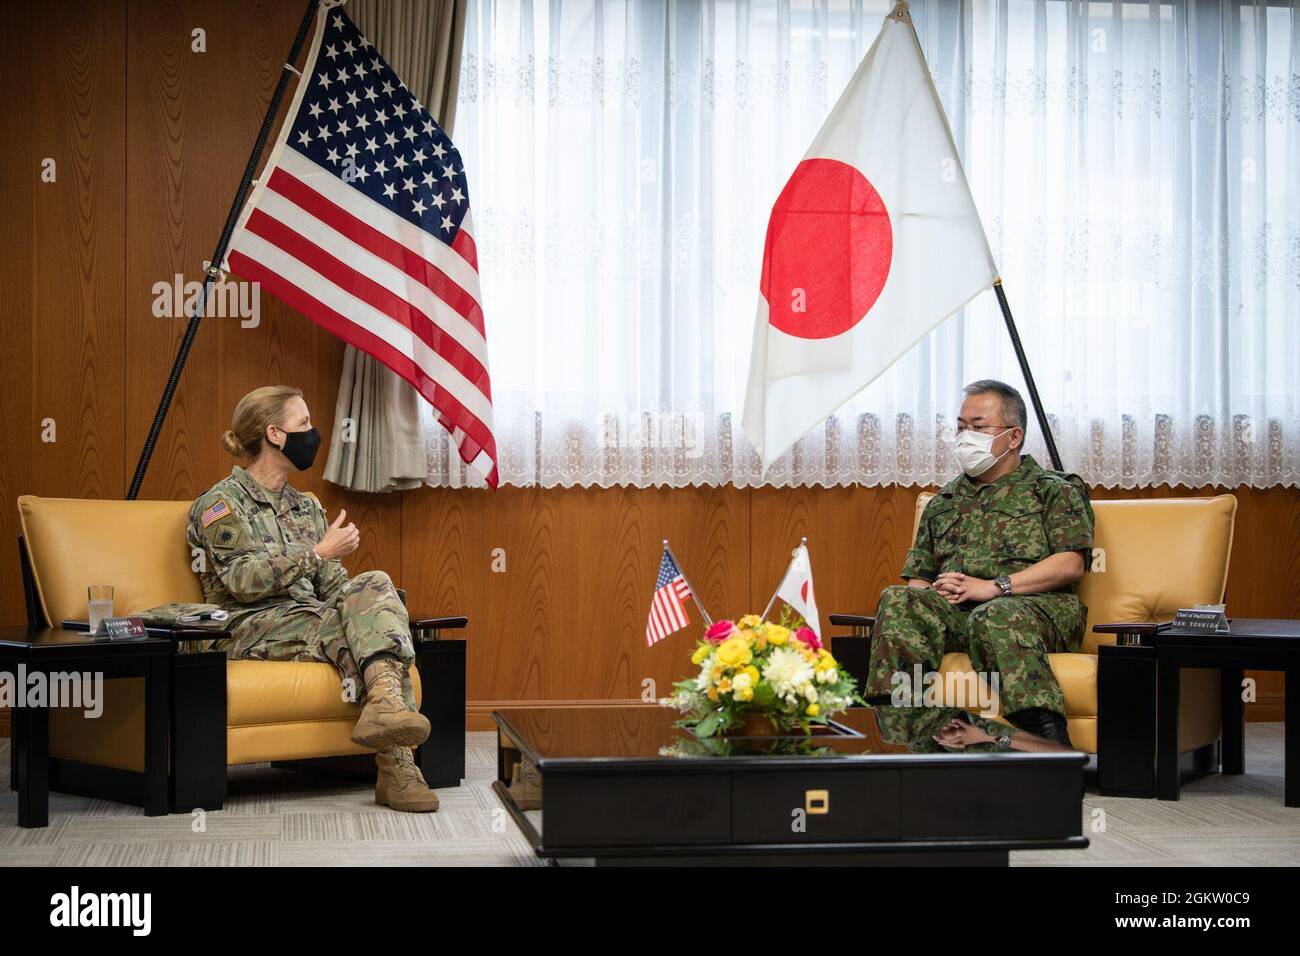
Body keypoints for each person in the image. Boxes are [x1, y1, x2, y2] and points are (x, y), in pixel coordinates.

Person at [188, 385, 440, 812]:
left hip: (311, 617)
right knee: (350, 628)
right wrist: (318, 551)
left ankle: (384, 706)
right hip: (248, 624)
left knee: (373, 589)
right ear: (274, 434)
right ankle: (397, 765)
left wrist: (375, 600)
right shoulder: (219, 505)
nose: (314, 432)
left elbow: (331, 587)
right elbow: (243, 582)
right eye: (303, 423)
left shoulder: (306, 507)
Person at [865, 379, 1094, 751]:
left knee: (995, 615)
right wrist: (938, 594)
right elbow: (918, 581)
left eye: (978, 426)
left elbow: (1070, 563)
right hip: (962, 613)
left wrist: (993, 587)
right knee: (898, 600)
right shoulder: (944, 501)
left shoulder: (1054, 489)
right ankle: (904, 737)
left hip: (1039, 609)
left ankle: (1050, 749)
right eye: (960, 427)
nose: (965, 436)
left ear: (1013, 436)